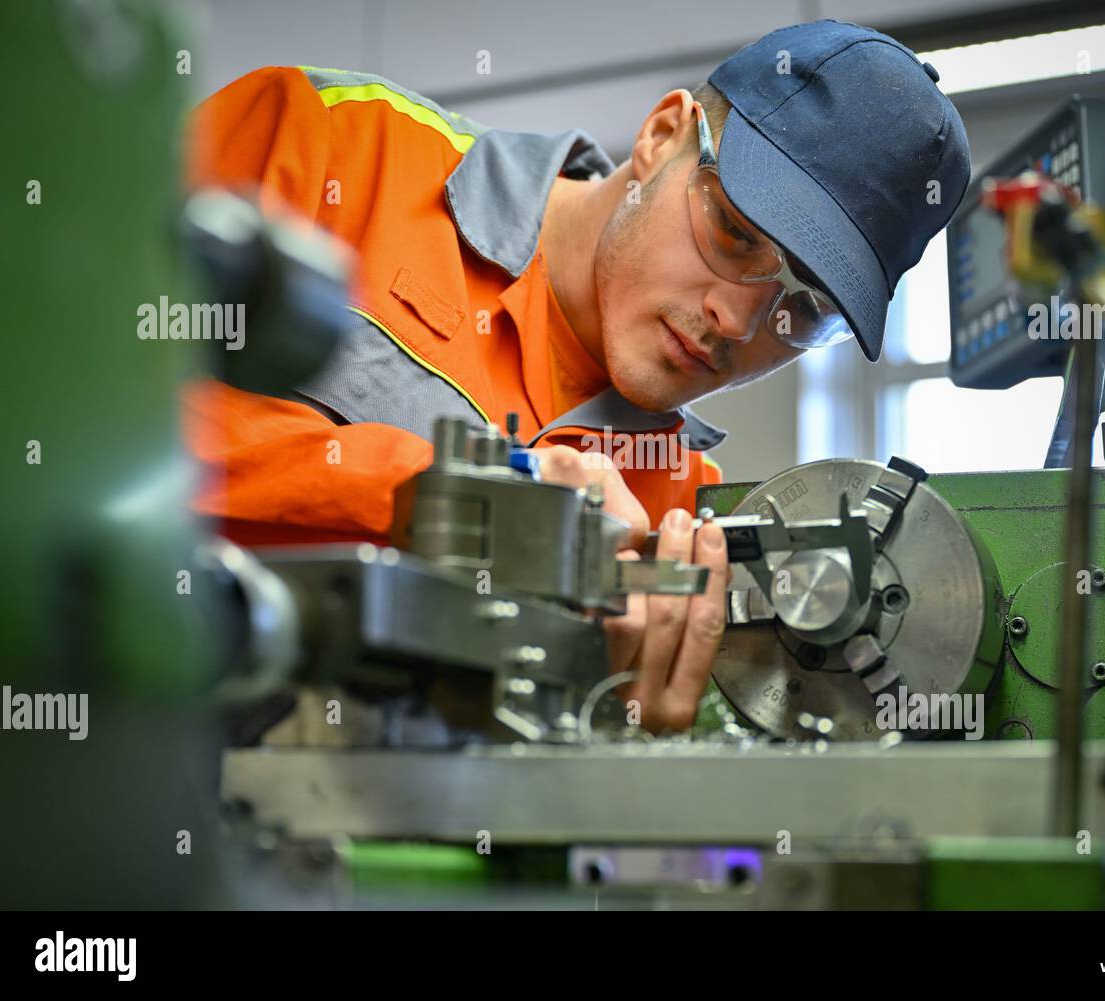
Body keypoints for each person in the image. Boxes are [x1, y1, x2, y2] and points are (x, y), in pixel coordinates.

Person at [185, 20, 971, 732]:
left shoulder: (674, 514)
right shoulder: (330, 142)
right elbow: (113, 425)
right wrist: (471, 501)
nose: (738, 319)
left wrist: (621, 732)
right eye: (734, 233)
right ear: (661, 137)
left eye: (805, 307)